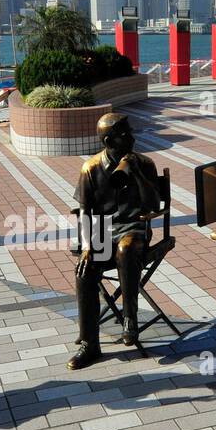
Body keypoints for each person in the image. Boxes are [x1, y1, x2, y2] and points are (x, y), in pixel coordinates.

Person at [68, 113, 160, 369]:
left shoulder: (145, 162)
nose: (132, 137)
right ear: (109, 141)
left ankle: (130, 319)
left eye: (130, 132)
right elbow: (85, 212)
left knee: (126, 248)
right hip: (102, 231)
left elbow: (153, 205)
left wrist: (136, 172)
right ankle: (90, 344)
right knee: (84, 272)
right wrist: (88, 246)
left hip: (134, 228)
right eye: (124, 134)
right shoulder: (91, 168)